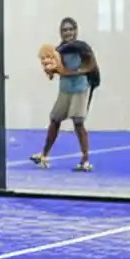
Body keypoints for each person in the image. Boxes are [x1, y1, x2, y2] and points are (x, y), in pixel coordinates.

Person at [30, 17, 96, 172]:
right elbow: (55, 67)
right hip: (65, 89)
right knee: (54, 120)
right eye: (65, 30)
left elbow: (90, 65)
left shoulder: (82, 47)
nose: (68, 32)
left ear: (75, 31)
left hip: (79, 88)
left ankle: (85, 160)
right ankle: (44, 155)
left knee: (78, 123)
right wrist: (51, 70)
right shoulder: (58, 50)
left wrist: (74, 72)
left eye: (70, 29)